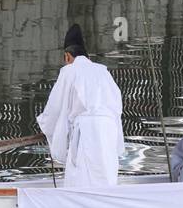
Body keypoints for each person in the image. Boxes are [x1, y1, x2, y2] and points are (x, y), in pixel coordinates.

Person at [37, 24, 125, 187]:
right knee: (106, 176)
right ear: (87, 57)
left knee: (82, 179)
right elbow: (117, 106)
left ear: (67, 57)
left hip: (86, 132)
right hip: (108, 130)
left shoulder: (69, 71)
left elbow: (54, 109)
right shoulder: (103, 72)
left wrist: (45, 125)